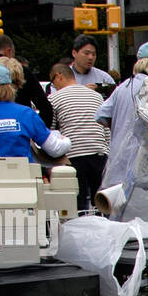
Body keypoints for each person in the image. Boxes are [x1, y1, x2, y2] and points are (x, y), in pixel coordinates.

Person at [95, 41, 148, 194]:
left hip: (117, 170)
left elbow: (101, 115)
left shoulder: (123, 87)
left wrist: (123, 130)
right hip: (143, 174)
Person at [0, 62, 71, 162]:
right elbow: (55, 149)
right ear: (9, 86)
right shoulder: (24, 113)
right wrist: (66, 140)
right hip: (23, 177)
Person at [48, 63, 109, 213]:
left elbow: (51, 133)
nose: (54, 85)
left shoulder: (53, 98)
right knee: (100, 202)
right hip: (99, 152)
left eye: (53, 81)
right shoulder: (97, 96)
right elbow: (106, 128)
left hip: (73, 155)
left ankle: (80, 232)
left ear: (59, 76)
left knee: (78, 204)